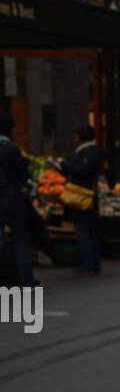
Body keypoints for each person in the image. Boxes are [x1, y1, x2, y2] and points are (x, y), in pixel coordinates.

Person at [58, 124, 103, 275]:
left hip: (82, 196)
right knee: (90, 232)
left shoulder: (88, 152)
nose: (74, 138)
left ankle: (89, 264)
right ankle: (92, 263)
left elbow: (83, 171)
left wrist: (65, 165)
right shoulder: (91, 151)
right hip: (86, 195)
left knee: (84, 231)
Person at [0, 108, 37, 287]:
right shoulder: (14, 150)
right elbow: (23, 177)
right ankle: (27, 280)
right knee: (21, 240)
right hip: (13, 200)